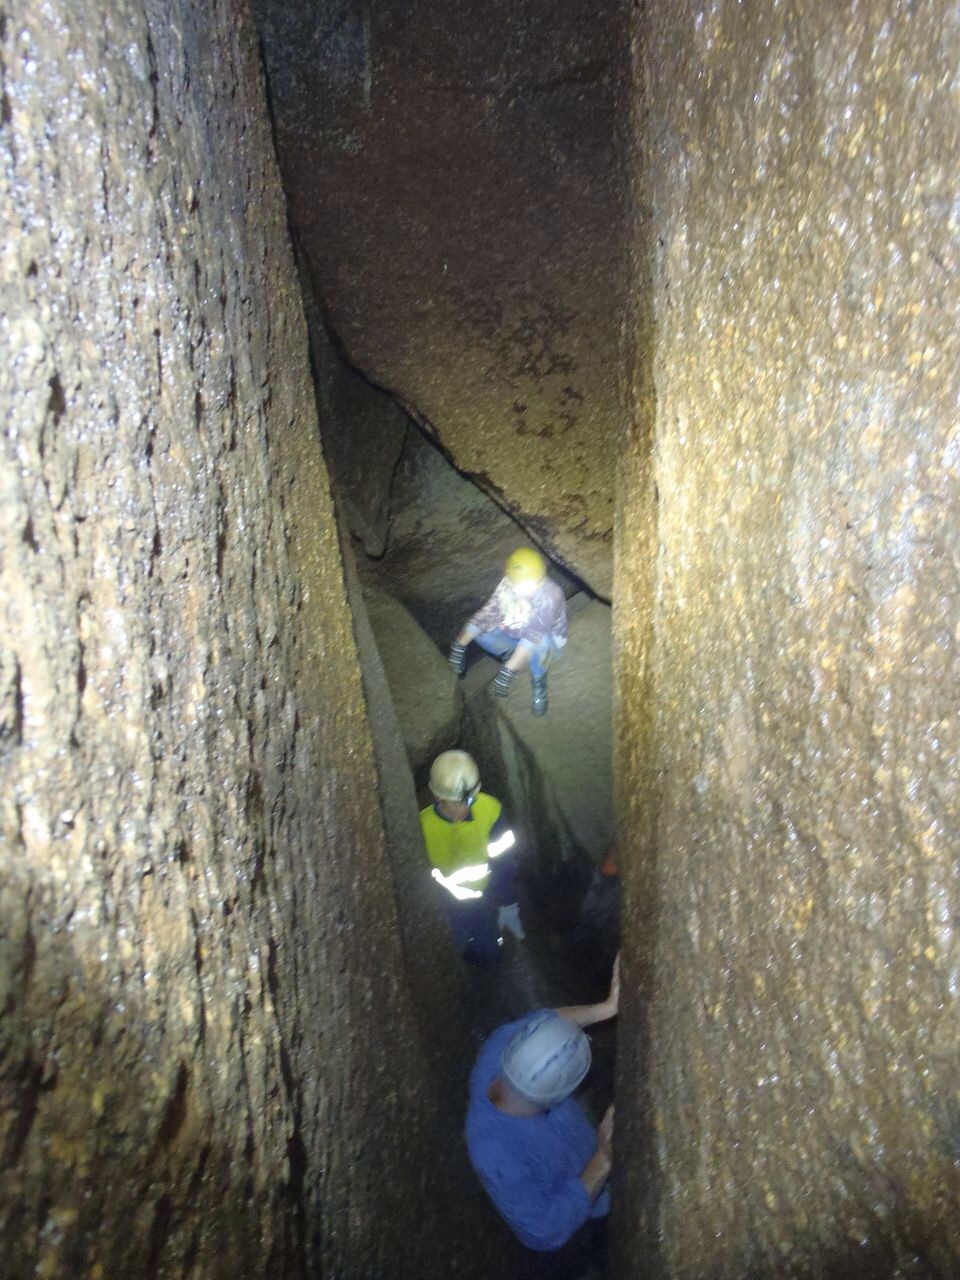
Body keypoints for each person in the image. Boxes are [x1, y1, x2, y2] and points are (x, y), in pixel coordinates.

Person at [465, 958, 619, 1252]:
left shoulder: (498, 1050)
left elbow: (548, 1020)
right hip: (585, 1222)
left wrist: (607, 1008)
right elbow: (544, 1230)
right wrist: (604, 1160)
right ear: (560, 1095)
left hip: (585, 1149)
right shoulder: (494, 1155)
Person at [420, 749, 524, 965]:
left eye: (470, 800)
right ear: (438, 797)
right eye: (459, 802)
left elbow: (504, 862)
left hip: (482, 900)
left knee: (490, 955)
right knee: (449, 957)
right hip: (445, 905)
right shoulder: (422, 825)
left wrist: (507, 903)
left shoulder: (490, 810)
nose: (466, 808)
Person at [448, 547, 567, 717]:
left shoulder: (551, 595)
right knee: (482, 631)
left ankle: (539, 682)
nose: (524, 590)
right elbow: (488, 613)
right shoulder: (508, 585)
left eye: (531, 584)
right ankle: (513, 654)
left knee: (541, 642)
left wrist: (507, 672)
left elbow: (535, 634)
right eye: (518, 584)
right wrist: (460, 644)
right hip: (517, 629)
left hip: (547, 640)